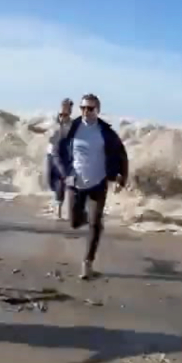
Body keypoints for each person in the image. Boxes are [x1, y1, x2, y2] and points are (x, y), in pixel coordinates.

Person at [56, 93, 128, 279]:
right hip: (75, 183)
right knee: (74, 223)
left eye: (90, 108)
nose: (86, 112)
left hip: (98, 182)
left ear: (98, 110)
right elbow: (59, 145)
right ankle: (90, 219)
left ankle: (87, 262)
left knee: (95, 224)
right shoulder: (73, 127)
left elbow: (121, 154)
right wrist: (65, 174)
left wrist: (121, 177)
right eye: (83, 108)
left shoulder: (106, 132)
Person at [44, 98, 74, 220]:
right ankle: (57, 205)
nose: (62, 117)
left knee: (61, 180)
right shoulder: (53, 122)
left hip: (62, 154)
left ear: (70, 111)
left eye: (65, 114)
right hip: (50, 154)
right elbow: (43, 129)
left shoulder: (72, 125)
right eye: (61, 114)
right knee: (50, 181)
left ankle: (60, 212)